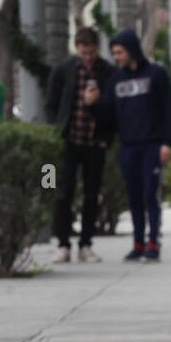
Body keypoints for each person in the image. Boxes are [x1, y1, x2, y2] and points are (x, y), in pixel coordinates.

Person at [83, 28, 171, 262]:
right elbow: (108, 115)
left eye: (120, 52)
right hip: (128, 147)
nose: (117, 57)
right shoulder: (116, 79)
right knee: (134, 197)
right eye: (114, 53)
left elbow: (168, 110)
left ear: (132, 50)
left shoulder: (156, 74)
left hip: (152, 146)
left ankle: (153, 242)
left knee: (149, 194)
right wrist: (91, 105)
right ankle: (138, 243)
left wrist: (168, 142)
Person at [45, 26, 113, 263]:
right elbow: (51, 103)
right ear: (76, 48)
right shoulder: (64, 70)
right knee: (63, 193)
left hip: (95, 142)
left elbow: (112, 109)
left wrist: (105, 133)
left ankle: (86, 244)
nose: (87, 57)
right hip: (69, 141)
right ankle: (63, 244)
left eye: (91, 52)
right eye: (83, 52)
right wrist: (55, 130)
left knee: (92, 195)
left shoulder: (106, 71)